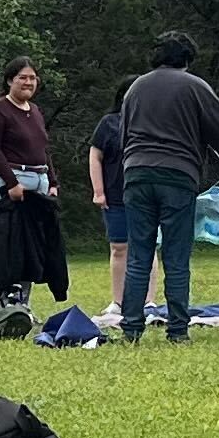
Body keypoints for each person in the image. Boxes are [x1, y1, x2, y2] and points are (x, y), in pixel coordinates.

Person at [111, 31, 219, 343]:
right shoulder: (195, 86)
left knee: (139, 252)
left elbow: (123, 134)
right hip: (178, 175)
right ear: (187, 59)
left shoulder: (136, 88)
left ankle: (131, 327)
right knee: (176, 254)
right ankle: (178, 329)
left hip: (136, 174)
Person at [0, 58, 69, 302]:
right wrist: (11, 183)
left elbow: (43, 149)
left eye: (32, 78)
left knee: (31, 246)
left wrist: (52, 182)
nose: (28, 83)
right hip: (10, 181)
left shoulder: (36, 111)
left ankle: (22, 306)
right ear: (10, 80)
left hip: (38, 181)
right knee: (7, 245)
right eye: (22, 78)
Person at [86, 102, 131, 324]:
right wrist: (99, 191)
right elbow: (95, 156)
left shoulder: (150, 121)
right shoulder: (109, 123)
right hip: (114, 194)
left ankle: (148, 301)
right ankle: (118, 301)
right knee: (119, 247)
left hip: (143, 194)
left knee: (147, 246)